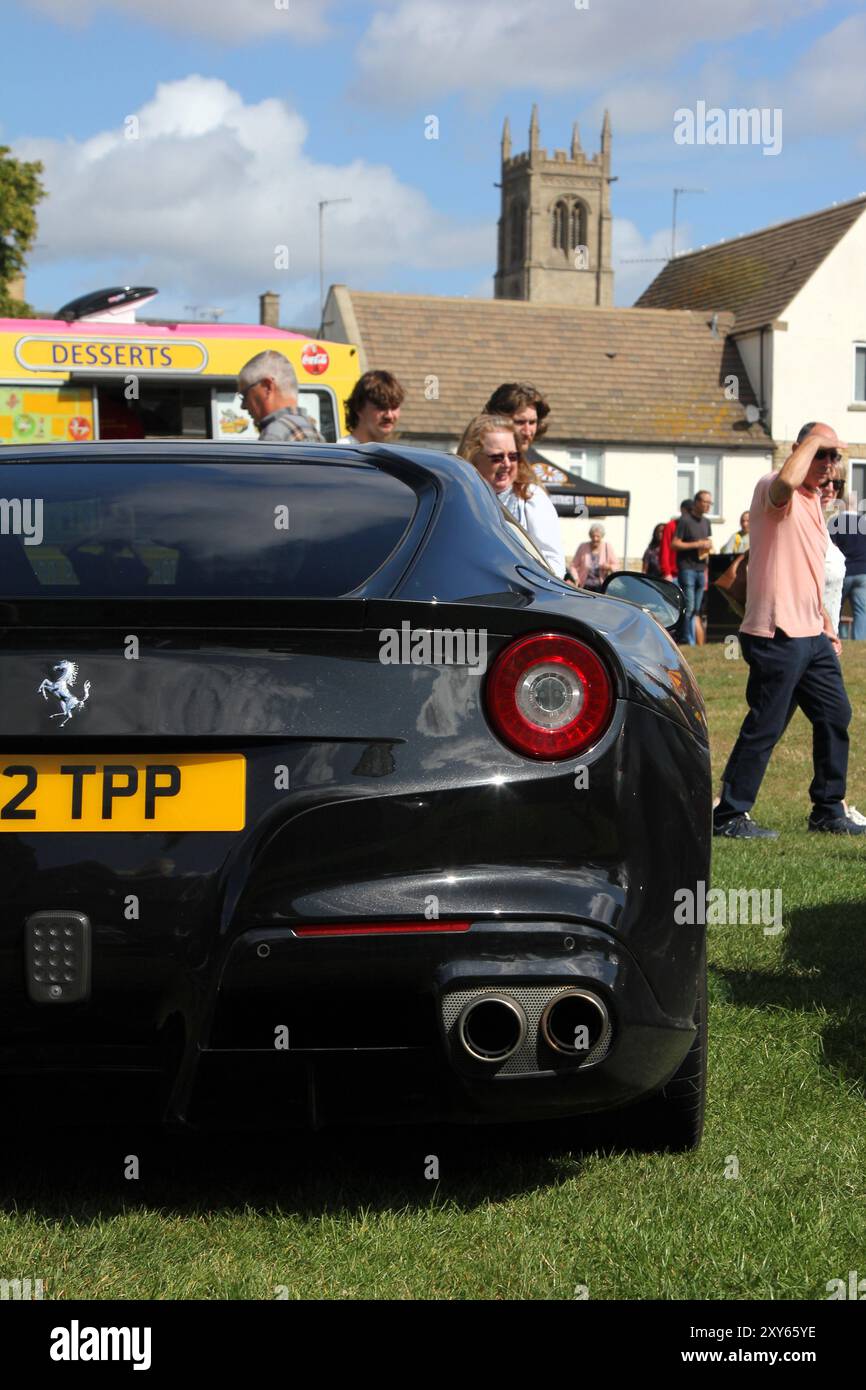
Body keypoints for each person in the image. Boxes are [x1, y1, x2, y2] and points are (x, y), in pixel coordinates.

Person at [713, 421, 864, 838]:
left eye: (834, 456)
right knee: (766, 724)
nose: (829, 463)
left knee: (836, 714)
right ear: (799, 449)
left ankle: (828, 810)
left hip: (812, 635)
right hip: (776, 633)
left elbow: (809, 572)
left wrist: (827, 624)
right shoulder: (772, 487)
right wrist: (816, 440)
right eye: (820, 453)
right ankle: (728, 815)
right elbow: (785, 484)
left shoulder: (814, 501)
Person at [456, 413, 565, 576]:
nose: (506, 464)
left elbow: (554, 566)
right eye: (497, 457)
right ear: (474, 457)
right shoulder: (458, 499)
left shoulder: (531, 498)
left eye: (513, 456)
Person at [237, 351, 324, 442]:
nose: (243, 406)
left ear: (267, 387)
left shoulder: (274, 436)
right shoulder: (314, 432)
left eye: (245, 395)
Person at [672, 490, 713, 645]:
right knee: (688, 607)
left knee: (697, 608)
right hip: (687, 568)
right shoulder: (685, 520)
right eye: (705, 502)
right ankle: (688, 641)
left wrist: (708, 546)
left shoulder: (706, 522)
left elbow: (706, 542)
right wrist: (697, 544)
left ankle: (693, 641)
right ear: (697, 502)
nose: (708, 505)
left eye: (710, 503)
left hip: (701, 568)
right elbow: (674, 544)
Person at [830, 489, 866, 639]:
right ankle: (860, 640)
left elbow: (830, 546)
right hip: (863, 572)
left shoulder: (836, 522)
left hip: (843, 571)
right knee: (861, 610)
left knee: (835, 607)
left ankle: (836, 638)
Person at [482, 382, 551, 459]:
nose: (527, 432)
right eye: (519, 422)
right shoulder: (472, 467)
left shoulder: (540, 469)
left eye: (532, 422)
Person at [338, 370, 405, 445]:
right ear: (359, 408)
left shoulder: (391, 454)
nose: (389, 415)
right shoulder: (342, 452)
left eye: (394, 407)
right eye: (381, 407)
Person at [570, 524, 619, 590]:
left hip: (601, 586)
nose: (595, 539)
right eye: (593, 536)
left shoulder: (607, 547)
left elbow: (616, 566)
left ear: (602, 536)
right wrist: (575, 578)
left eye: (598, 536)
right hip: (584, 586)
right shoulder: (583, 547)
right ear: (590, 536)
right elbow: (573, 566)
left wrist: (609, 567)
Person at [659, 502, 689, 582]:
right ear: (683, 510)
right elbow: (665, 550)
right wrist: (666, 573)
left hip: (690, 573)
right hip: (674, 575)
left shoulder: (694, 526)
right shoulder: (671, 526)